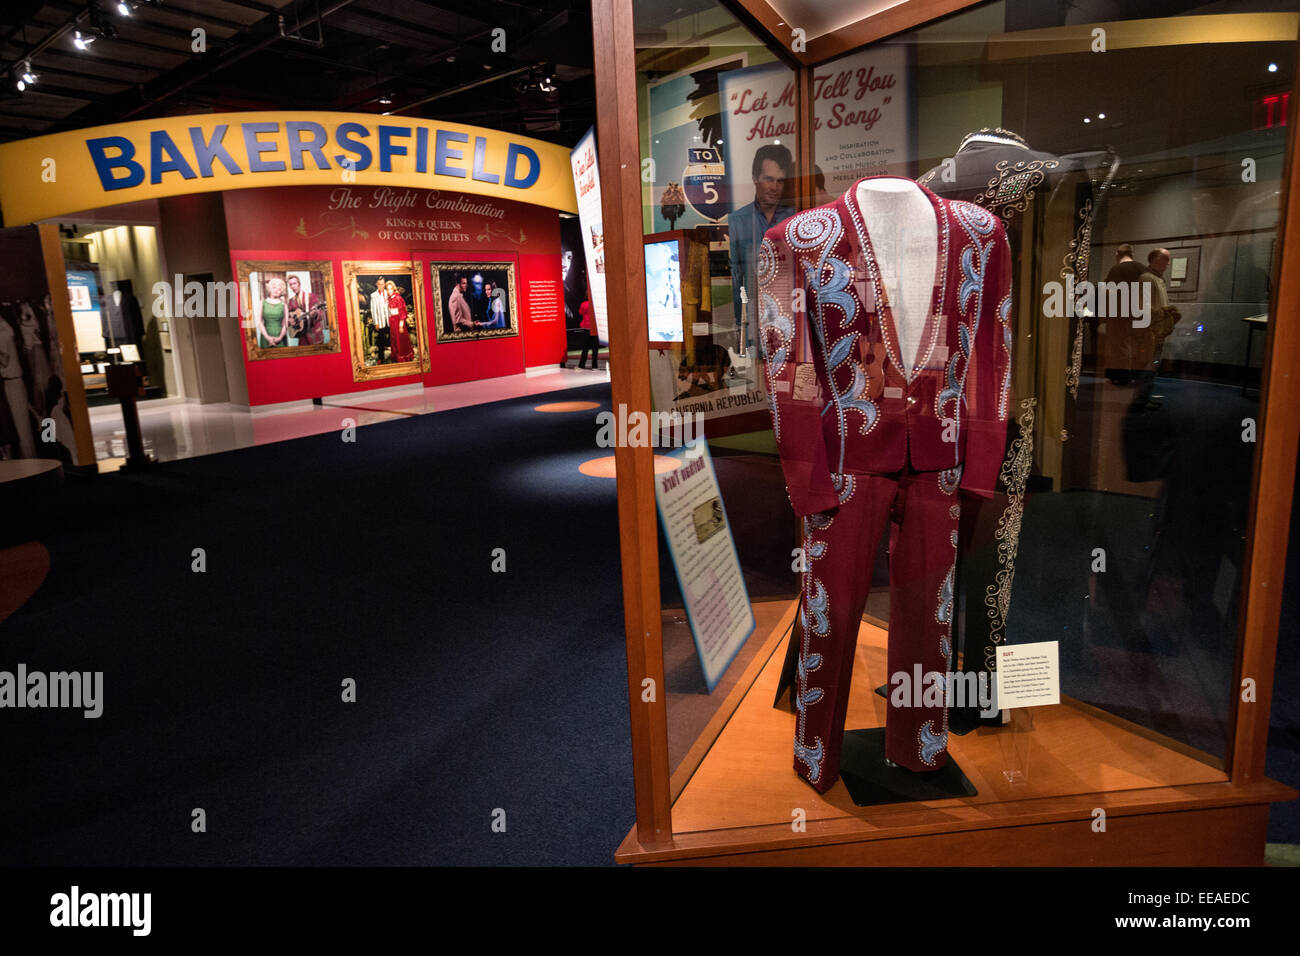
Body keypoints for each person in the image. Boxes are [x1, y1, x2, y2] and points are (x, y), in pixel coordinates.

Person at [727, 144, 795, 354]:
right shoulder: (737, 221)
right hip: (753, 325)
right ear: (755, 178)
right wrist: (742, 328)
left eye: (780, 180)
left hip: (790, 321)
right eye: (768, 179)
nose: (774, 187)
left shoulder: (795, 219)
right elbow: (737, 278)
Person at [0, 311, 35, 457]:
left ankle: (31, 464)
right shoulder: (6, 328)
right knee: (22, 430)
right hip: (14, 382)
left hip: (12, 382)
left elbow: (4, 360)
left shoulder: (3, 333)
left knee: (22, 432)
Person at [286, 274, 327, 346]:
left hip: (314, 335)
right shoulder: (291, 301)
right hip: (302, 337)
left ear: (299, 284)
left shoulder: (311, 296)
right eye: (290, 284)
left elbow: (321, 315)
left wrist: (315, 314)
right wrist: (290, 320)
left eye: (294, 283)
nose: (293, 286)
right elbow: (287, 316)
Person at [386, 280, 414, 363]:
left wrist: (401, 325)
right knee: (394, 339)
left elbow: (402, 312)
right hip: (392, 321)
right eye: (388, 289)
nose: (389, 290)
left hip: (398, 321)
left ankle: (404, 356)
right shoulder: (389, 298)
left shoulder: (398, 298)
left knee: (401, 339)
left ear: (393, 289)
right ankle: (396, 355)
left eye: (391, 289)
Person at [256, 277, 288, 349]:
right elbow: (259, 322)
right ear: (270, 288)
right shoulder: (263, 303)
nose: (276, 290)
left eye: (279, 289)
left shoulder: (284, 304)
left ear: (281, 292)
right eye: (274, 287)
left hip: (280, 336)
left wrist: (279, 338)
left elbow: (285, 324)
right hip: (265, 335)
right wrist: (268, 338)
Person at [369, 276, 391, 362]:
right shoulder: (373, 295)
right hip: (380, 321)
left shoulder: (388, 293)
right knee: (381, 340)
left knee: (392, 338)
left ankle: (395, 355)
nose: (381, 286)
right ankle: (381, 358)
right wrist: (376, 323)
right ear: (376, 284)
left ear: (384, 284)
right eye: (379, 284)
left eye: (382, 284)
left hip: (389, 320)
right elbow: (373, 310)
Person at [577, 299, 599, 370]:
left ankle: (581, 365)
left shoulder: (583, 304)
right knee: (595, 349)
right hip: (595, 328)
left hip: (586, 328)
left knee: (585, 348)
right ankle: (594, 366)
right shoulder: (596, 304)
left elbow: (581, 313)